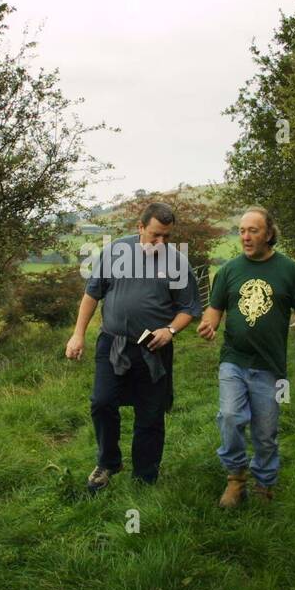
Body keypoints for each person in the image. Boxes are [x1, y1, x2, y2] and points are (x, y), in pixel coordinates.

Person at [65, 202, 201, 491]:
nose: (161, 242)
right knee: (102, 402)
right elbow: (92, 295)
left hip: (154, 348)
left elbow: (188, 308)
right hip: (112, 343)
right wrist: (78, 335)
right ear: (140, 228)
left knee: (150, 414)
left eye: (167, 236)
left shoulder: (177, 262)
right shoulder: (115, 252)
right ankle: (108, 463)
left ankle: (145, 477)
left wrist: (171, 330)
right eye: (155, 235)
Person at [197, 205, 295, 507]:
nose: (246, 237)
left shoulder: (288, 270)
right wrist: (209, 324)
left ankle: (264, 483)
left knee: (266, 433)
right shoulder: (228, 271)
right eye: (242, 231)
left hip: (271, 367)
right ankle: (236, 479)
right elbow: (215, 309)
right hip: (233, 360)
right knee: (229, 417)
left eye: (253, 230)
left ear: (269, 234)